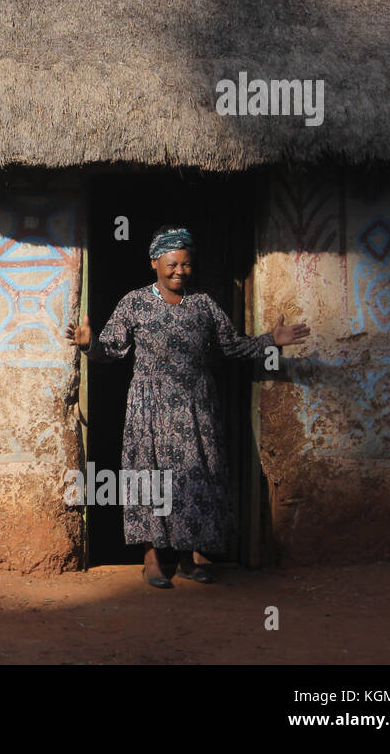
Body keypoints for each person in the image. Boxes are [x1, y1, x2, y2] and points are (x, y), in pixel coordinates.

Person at [64, 225, 310, 588]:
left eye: (186, 264)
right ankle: (150, 559)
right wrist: (90, 344)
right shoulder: (134, 303)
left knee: (192, 480)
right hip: (149, 407)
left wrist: (271, 340)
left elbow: (232, 347)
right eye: (172, 264)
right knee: (149, 477)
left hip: (196, 405)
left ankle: (186, 558)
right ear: (154, 263)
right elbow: (111, 350)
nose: (180, 271)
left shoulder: (204, 305)